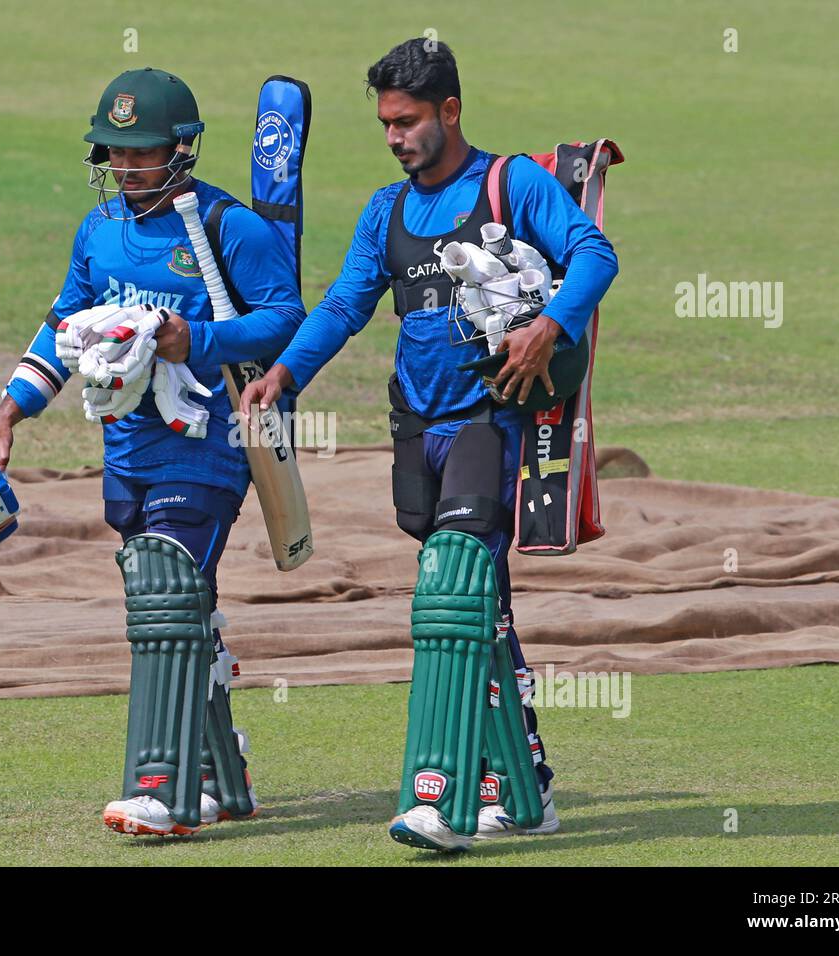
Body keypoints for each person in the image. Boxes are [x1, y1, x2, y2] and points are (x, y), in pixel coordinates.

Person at [240, 38, 619, 850]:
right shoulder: (386, 212)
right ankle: (522, 789)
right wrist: (285, 374)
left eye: (407, 121)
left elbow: (595, 251)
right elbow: (344, 305)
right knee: (479, 609)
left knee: (453, 586)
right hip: (416, 426)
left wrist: (550, 326)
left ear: (450, 110)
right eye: (384, 124)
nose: (395, 137)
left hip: (491, 417)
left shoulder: (510, 182)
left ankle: (438, 795)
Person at [0, 66, 306, 837]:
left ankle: (163, 786)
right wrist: (7, 413)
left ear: (181, 148)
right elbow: (63, 326)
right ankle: (225, 774)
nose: (124, 167)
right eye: (113, 152)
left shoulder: (229, 227)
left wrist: (202, 339)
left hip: (209, 446)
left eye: (141, 151)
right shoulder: (99, 231)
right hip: (124, 452)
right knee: (182, 611)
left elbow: (289, 319)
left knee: (165, 592)